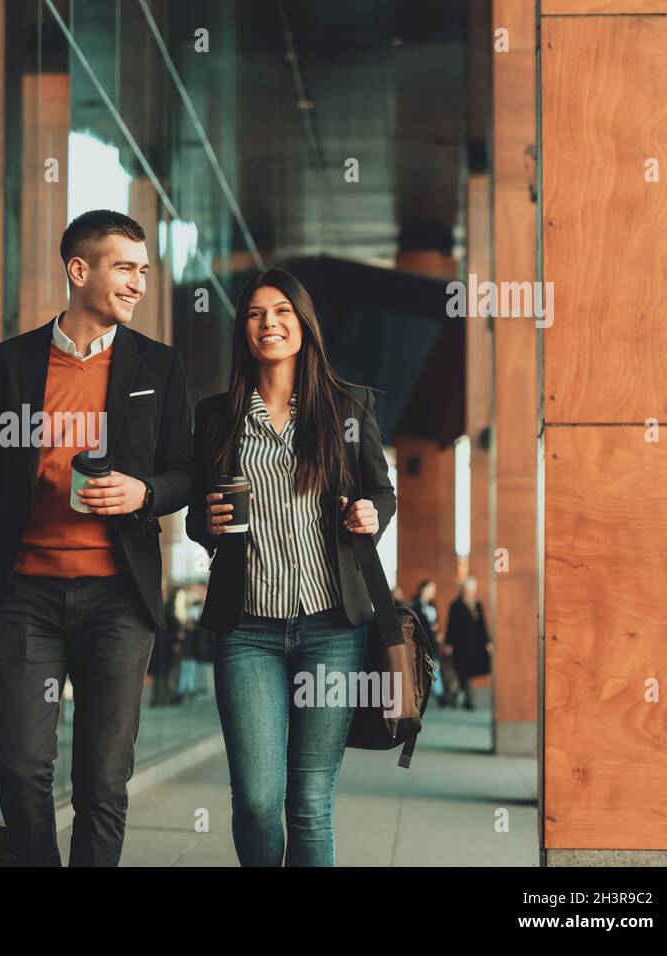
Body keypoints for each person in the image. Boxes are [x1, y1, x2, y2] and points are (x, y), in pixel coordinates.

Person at [0, 209, 193, 866]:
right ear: (79, 270)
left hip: (120, 598)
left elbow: (187, 472)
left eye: (143, 271)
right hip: (24, 594)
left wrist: (143, 493)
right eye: (125, 268)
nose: (138, 285)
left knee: (103, 778)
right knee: (17, 765)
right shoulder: (7, 365)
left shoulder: (159, 365)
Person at [187, 267, 395, 867]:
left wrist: (368, 513)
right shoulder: (215, 417)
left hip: (333, 629)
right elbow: (199, 520)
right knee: (255, 799)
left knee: (308, 802)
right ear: (242, 330)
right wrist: (209, 522)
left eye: (281, 311)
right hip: (247, 629)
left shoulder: (348, 406)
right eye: (255, 313)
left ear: (304, 325)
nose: (268, 323)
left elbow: (382, 493)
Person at [444, 576, 491, 710]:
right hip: (461, 644)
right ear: (463, 590)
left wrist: (487, 642)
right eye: (469, 589)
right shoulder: (455, 605)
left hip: (475, 644)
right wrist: (448, 643)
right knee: (462, 671)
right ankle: (467, 700)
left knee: (468, 672)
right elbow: (451, 625)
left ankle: (462, 696)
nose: (471, 592)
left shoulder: (477, 605)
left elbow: (483, 625)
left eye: (473, 589)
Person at [409, 579, 451, 707]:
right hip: (420, 644)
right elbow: (416, 625)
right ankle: (439, 694)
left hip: (432, 645)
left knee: (433, 668)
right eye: (430, 589)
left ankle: (438, 694)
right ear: (423, 589)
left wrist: (437, 632)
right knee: (430, 669)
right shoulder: (414, 605)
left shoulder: (432, 605)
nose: (433, 592)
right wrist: (431, 630)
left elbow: (435, 623)